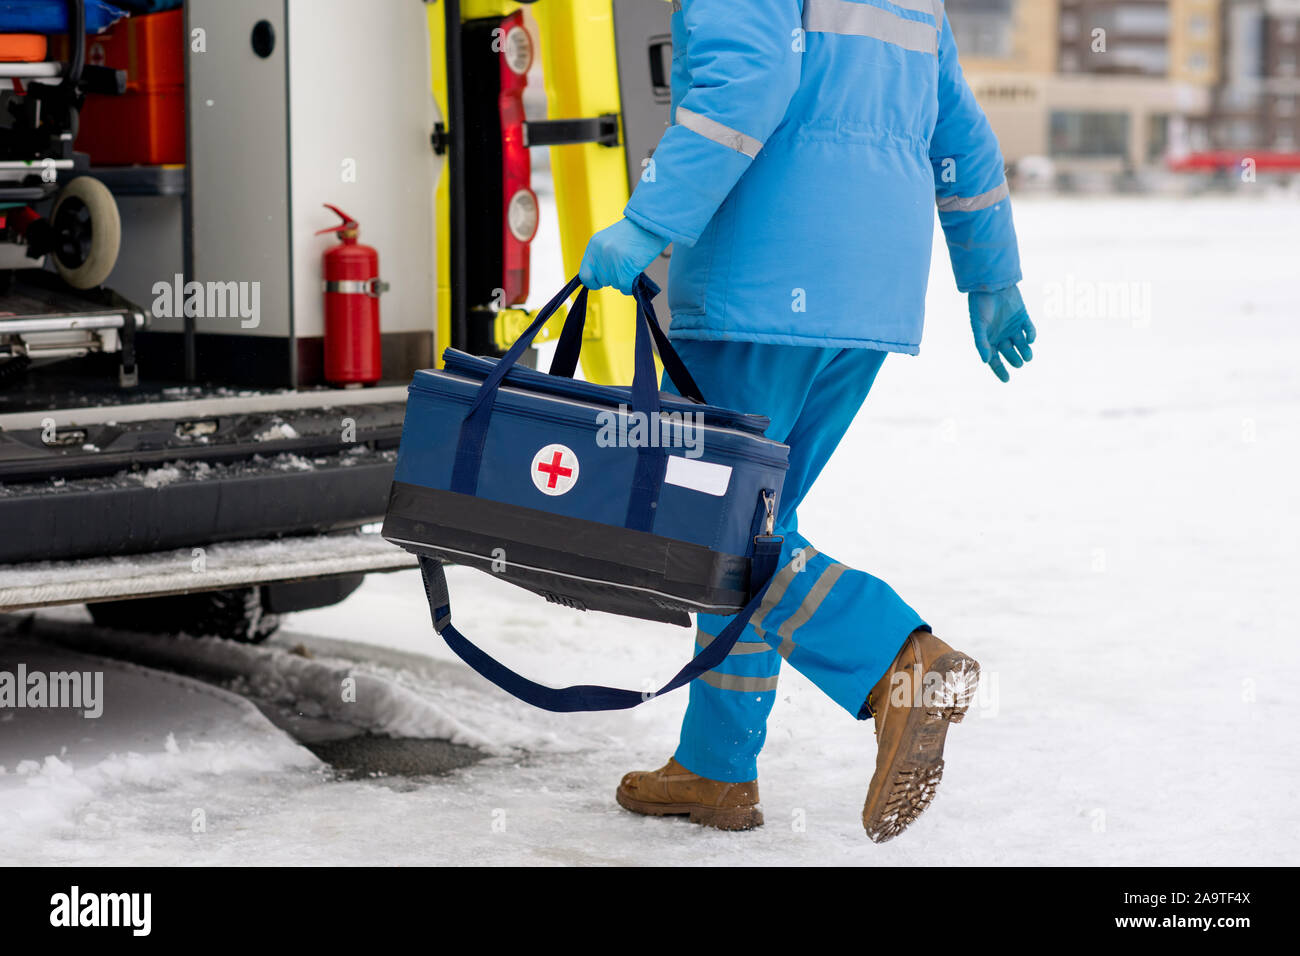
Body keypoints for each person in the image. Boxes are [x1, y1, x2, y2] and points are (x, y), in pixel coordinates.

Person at [579, 0, 1035, 842]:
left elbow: (745, 83)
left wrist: (649, 222)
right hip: (867, 296)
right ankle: (717, 769)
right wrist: (990, 272)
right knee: (755, 528)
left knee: (707, 522)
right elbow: (958, 130)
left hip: (762, 279)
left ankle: (900, 658)